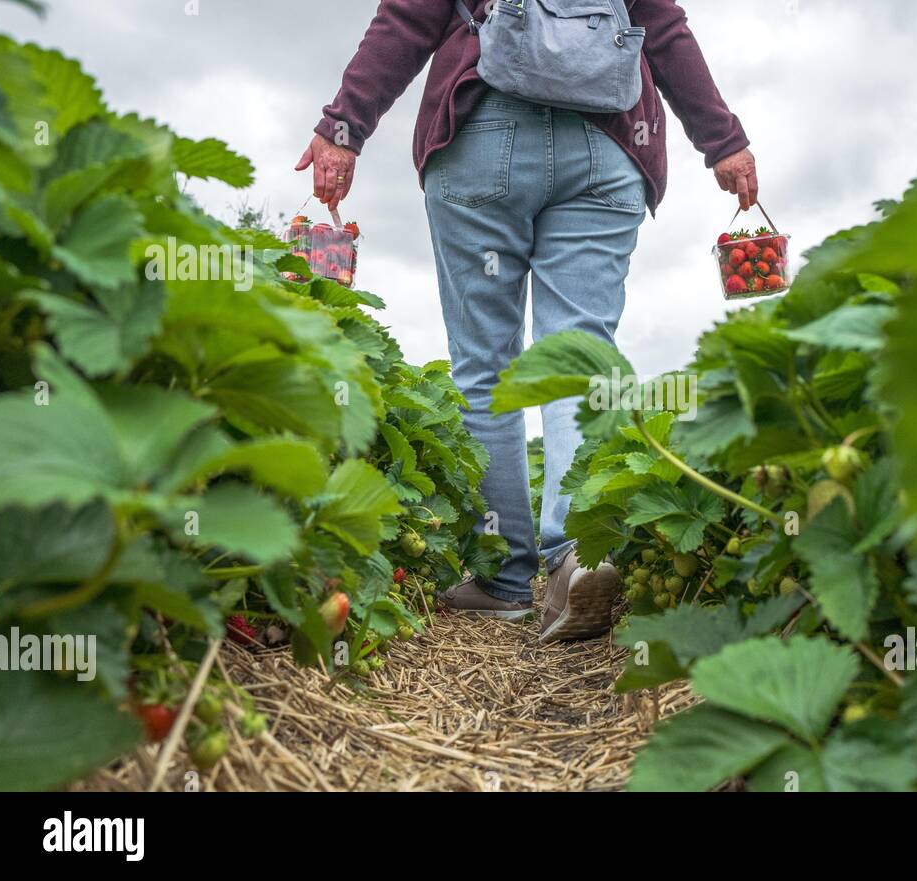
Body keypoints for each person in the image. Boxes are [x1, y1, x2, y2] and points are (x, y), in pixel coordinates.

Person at [298, 0, 756, 642]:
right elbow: (664, 26)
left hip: (481, 137)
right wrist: (723, 142)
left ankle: (505, 579)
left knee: (486, 367)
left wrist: (344, 126)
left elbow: (408, 18)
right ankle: (578, 556)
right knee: (578, 357)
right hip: (608, 144)